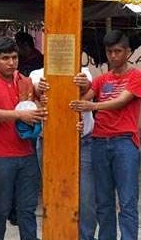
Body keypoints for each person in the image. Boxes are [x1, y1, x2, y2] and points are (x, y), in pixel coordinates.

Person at [71, 30, 141, 240]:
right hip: (98, 142)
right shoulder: (101, 79)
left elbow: (121, 101)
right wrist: (76, 86)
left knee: (127, 201)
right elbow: (82, 99)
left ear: (128, 52)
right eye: (109, 52)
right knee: (103, 202)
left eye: (118, 51)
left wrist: (91, 105)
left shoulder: (138, 76)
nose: (113, 56)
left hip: (125, 142)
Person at [0, 38, 47, 240]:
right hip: (0, 156)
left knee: (27, 210)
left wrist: (42, 101)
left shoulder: (25, 81)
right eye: (5, 58)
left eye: (14, 57)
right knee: (0, 209)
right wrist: (19, 115)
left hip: (27, 154)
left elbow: (35, 110)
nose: (11, 62)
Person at [36, 68, 97, 240]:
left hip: (82, 142)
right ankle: (56, 234)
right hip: (49, 143)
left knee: (85, 196)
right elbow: (34, 93)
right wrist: (39, 91)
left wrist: (85, 86)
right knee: (53, 192)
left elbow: (88, 90)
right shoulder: (37, 74)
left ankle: (86, 237)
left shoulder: (83, 72)